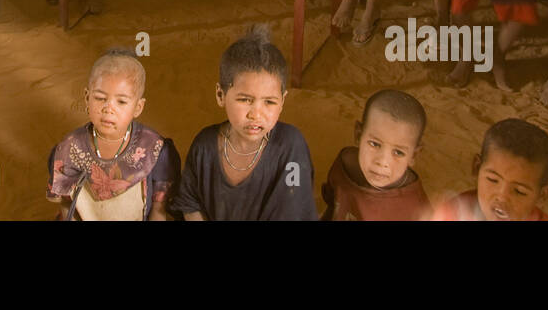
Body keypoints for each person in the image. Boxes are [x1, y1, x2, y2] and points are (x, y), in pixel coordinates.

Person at [173, 26, 317, 221]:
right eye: (245, 100)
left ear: (282, 101)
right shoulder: (204, 146)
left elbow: (295, 211)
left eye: (269, 102)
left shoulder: (291, 147)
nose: (256, 114)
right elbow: (190, 205)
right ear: (220, 95)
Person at [47, 49, 179, 220]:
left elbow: (159, 209)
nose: (108, 108)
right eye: (100, 98)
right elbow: (65, 204)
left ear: (138, 107)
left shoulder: (154, 148)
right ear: (87, 98)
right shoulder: (70, 147)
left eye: (121, 101)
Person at [321, 89, 432, 221]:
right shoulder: (344, 165)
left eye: (398, 152)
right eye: (374, 144)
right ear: (358, 135)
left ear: (413, 156)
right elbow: (333, 207)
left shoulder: (415, 208)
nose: (382, 161)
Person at [432, 118, 548, 221]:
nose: (502, 196)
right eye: (493, 180)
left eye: (519, 191)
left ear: (542, 195)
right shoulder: (452, 214)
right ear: (477, 167)